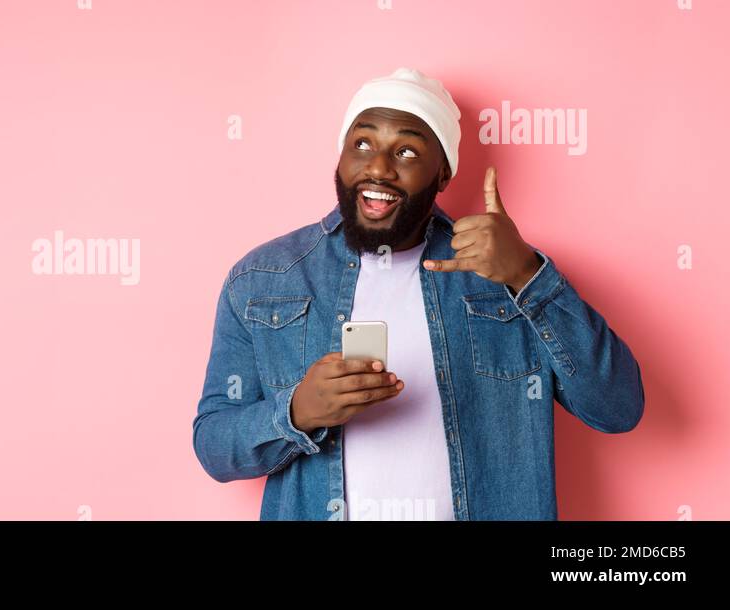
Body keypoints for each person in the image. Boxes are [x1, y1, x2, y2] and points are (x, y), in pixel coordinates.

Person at [191, 67, 644, 520]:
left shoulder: (505, 271)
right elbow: (214, 445)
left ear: (443, 172)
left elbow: (617, 408)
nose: (378, 168)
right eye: (362, 143)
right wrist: (297, 413)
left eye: (406, 151)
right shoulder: (264, 278)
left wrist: (528, 275)